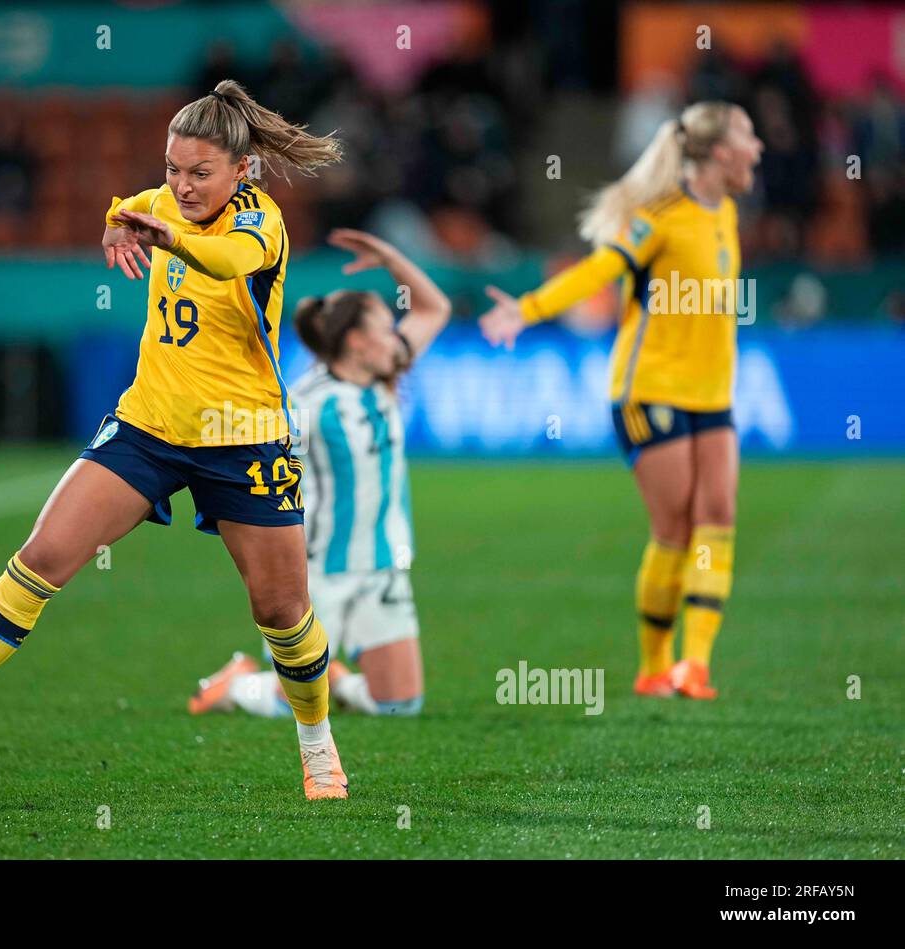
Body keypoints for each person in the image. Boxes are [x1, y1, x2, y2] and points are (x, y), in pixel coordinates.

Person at [0, 81, 352, 799]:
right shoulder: (161, 201)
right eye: (173, 168)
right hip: (149, 426)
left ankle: (317, 742)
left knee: (281, 611)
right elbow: (129, 206)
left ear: (242, 171)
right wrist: (119, 219)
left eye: (201, 172)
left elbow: (227, 261)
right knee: (41, 556)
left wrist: (166, 234)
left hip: (246, 437)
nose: (182, 184)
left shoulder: (263, 224)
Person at [478, 102, 763, 700]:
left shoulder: (727, 214)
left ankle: (697, 665)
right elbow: (598, 271)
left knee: (720, 521)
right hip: (649, 390)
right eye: (747, 137)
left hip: (712, 394)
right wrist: (526, 310)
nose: (758, 148)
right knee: (676, 530)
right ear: (717, 152)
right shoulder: (658, 217)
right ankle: (655, 664)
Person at [189, 229, 450, 719]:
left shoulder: (385, 369)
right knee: (300, 703)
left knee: (399, 706)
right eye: (383, 325)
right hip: (319, 572)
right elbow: (254, 471)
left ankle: (331, 680)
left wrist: (393, 256)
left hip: (382, 567)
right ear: (356, 341)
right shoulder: (308, 404)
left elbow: (434, 309)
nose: (395, 334)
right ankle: (238, 686)